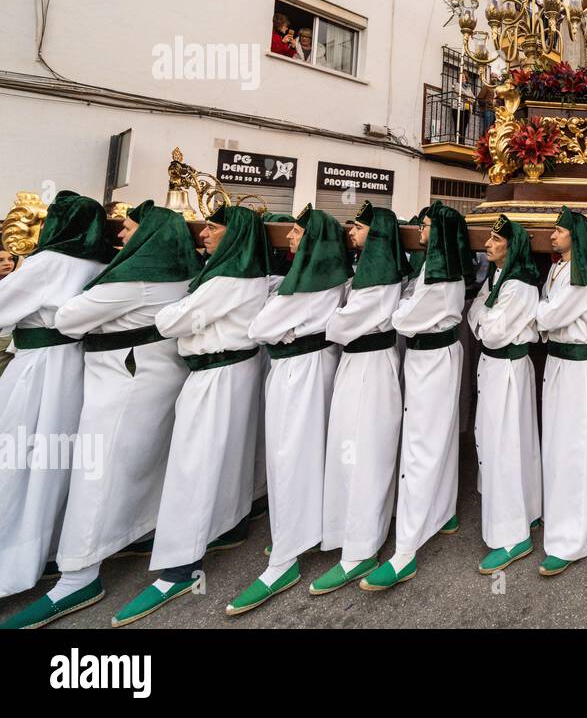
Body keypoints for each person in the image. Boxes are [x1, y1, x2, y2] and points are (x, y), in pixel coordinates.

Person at [0, 203, 200, 629]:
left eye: (127, 228)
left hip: (118, 383)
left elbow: (72, 318)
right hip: (134, 376)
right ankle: (125, 537)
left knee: (93, 476)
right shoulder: (171, 271)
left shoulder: (130, 278)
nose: (120, 236)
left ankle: (78, 577)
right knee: (128, 467)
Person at [111, 204, 270, 626]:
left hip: (216, 374)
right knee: (228, 455)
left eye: (214, 228)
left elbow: (170, 322)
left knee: (192, 465)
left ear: (232, 235)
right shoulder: (244, 275)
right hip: (231, 370)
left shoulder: (226, 280)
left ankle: (180, 566)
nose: (205, 234)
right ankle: (230, 525)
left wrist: (178, 310)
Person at [224, 205, 351, 614]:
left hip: (298, 373)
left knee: (288, 455)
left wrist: (281, 322)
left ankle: (285, 558)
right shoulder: (321, 277)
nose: (290, 238)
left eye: (298, 232)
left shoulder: (308, 285)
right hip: (310, 366)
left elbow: (258, 329)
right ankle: (297, 529)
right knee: (306, 454)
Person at [0, 193, 115, 603]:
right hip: (77, 366)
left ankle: (11, 561)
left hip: (37, 370)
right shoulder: (103, 264)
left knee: (16, 457)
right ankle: (47, 548)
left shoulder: (48, 262)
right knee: (57, 460)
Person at [360, 202, 475, 590]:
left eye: (425, 226)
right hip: (426, 356)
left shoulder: (442, 276)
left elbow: (403, 318)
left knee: (421, 445)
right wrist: (406, 306)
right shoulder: (431, 267)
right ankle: (443, 511)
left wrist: (403, 308)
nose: (419, 230)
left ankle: (405, 550)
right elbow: (408, 309)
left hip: (433, 359)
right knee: (433, 437)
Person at [312, 202, 409, 596]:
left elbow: (340, 323)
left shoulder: (380, 278)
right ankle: (342, 530)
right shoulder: (364, 273)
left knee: (364, 454)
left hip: (371, 367)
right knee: (346, 451)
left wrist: (327, 319)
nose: (351, 232)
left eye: (358, 227)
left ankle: (362, 547)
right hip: (357, 365)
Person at [533, 208, 587, 576]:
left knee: (574, 446)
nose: (552, 235)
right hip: (558, 362)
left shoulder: (582, 277)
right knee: (558, 443)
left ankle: (574, 535)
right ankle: (560, 515)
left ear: (575, 237)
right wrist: (545, 311)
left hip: (576, 367)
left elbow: (548, 316)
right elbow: (548, 313)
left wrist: (542, 312)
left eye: (559, 230)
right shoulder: (559, 267)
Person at [467, 214, 542, 573]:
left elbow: (492, 333)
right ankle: (525, 512)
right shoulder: (499, 276)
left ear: (511, 246)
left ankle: (513, 535)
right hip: (495, 367)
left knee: (507, 446)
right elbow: (475, 313)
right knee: (503, 442)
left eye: (496, 240)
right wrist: (486, 316)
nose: (487, 245)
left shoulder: (520, 284)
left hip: (508, 368)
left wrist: (486, 317)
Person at [0, 248, 19, 380]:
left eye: (11, 259)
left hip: (9, 338)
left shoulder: (17, 282)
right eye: (1, 260)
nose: (7, 263)